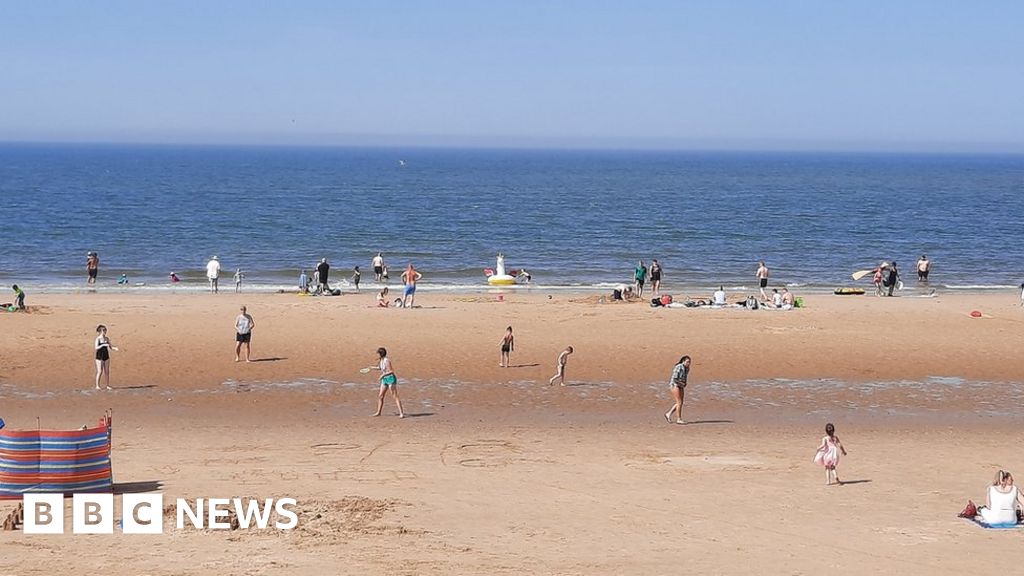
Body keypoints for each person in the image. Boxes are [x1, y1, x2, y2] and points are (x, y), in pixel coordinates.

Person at [372, 347, 405, 418]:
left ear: (381, 354)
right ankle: (378, 412)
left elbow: (391, 371)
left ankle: (401, 413)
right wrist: (372, 368)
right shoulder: (381, 360)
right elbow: (380, 368)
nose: (377, 355)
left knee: (394, 396)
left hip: (390, 379)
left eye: (378, 353)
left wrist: (383, 375)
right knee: (380, 396)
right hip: (384, 380)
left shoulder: (387, 361)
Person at [664, 355, 692, 424]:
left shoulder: (687, 368)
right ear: (683, 361)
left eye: (689, 362)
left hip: (680, 385)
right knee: (679, 402)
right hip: (675, 385)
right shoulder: (679, 367)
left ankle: (668, 414)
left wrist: (684, 383)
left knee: (680, 402)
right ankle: (679, 419)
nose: (688, 363)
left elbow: (685, 377)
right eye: (687, 362)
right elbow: (675, 379)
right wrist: (681, 383)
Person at [94, 324, 118, 390]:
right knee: (100, 371)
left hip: (106, 356)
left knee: (107, 371)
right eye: (104, 330)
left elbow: (110, 347)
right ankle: (97, 385)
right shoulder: (98, 339)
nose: (105, 331)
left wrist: (114, 348)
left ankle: (107, 385)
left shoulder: (107, 338)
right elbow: (96, 347)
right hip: (99, 356)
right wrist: (103, 345)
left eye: (105, 330)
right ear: (100, 331)